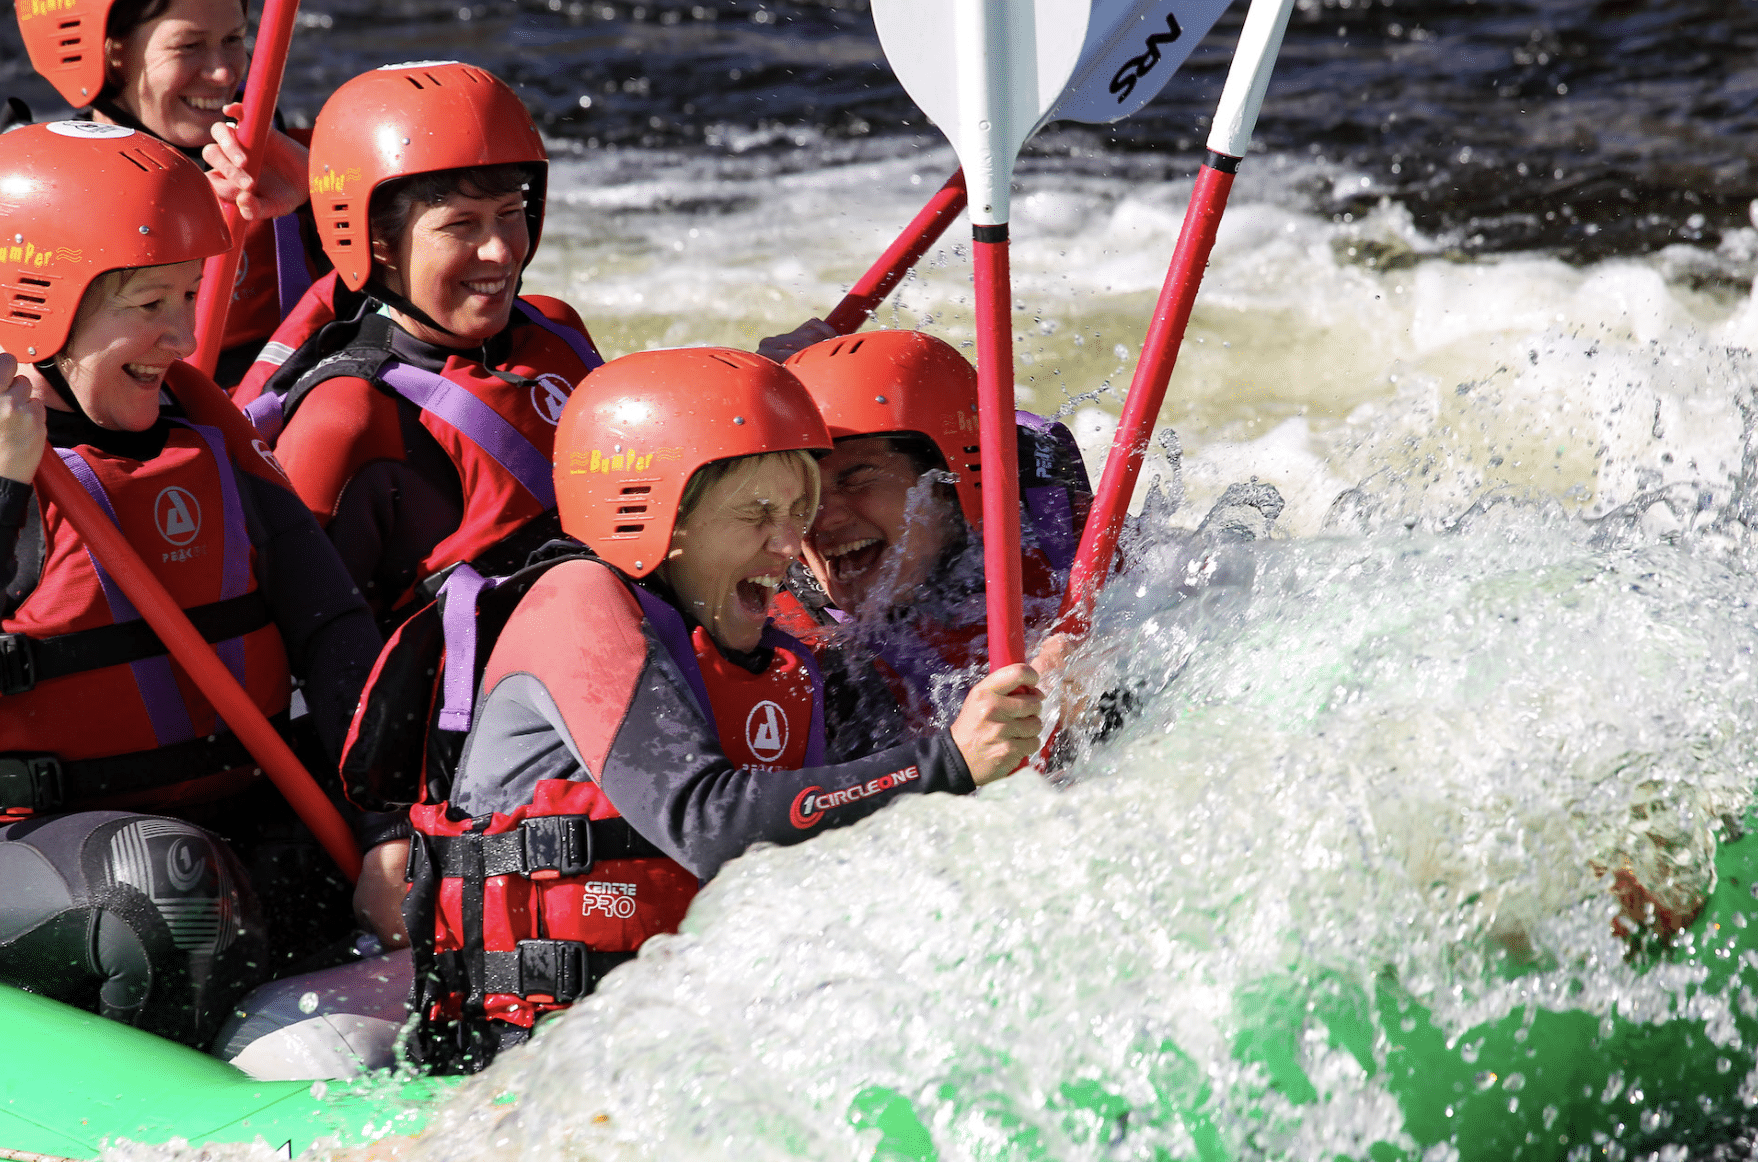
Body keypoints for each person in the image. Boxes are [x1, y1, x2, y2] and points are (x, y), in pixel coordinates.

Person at [394, 347, 1043, 1072]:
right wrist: (949, 761)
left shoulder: (784, 661)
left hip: (685, 1050)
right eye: (758, 514)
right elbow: (706, 820)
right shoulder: (575, 604)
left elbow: (883, 820)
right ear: (656, 516)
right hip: (522, 1060)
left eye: (796, 513)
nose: (792, 543)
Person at [0, 122, 381, 1047]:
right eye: (146, 303)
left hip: (227, 817)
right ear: (35, 306)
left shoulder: (200, 424)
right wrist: (7, 485)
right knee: (167, 890)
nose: (178, 337)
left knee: (469, 851)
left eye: (186, 297)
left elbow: (335, 632)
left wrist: (388, 830)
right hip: (40, 847)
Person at [230, 61, 606, 634]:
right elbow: (313, 664)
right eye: (462, 226)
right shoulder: (344, 419)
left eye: (509, 215)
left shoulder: (556, 328)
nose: (501, 253)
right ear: (378, 243)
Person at [780, 329, 1092, 725]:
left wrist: (1095, 665)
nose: (822, 518)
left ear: (951, 483)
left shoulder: (1061, 544)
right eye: (803, 496)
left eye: (857, 478)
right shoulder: (783, 640)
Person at [13, 0, 322, 385]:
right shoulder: (35, 209)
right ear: (111, 53)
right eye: (188, 45)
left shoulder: (309, 164)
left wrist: (317, 196)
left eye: (233, 39)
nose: (223, 71)